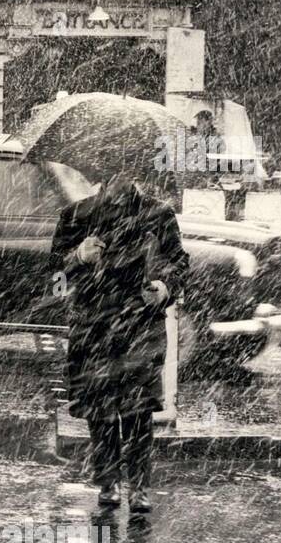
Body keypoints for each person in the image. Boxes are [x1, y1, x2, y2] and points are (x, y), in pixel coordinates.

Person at [50, 160, 189, 514]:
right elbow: (54, 272)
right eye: (112, 173)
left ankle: (140, 486)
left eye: (127, 172)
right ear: (100, 175)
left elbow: (179, 262)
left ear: (136, 175)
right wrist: (78, 256)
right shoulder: (77, 215)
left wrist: (164, 287)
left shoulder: (158, 214)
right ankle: (108, 482)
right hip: (93, 324)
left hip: (140, 324)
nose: (119, 180)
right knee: (101, 409)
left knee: (138, 409)